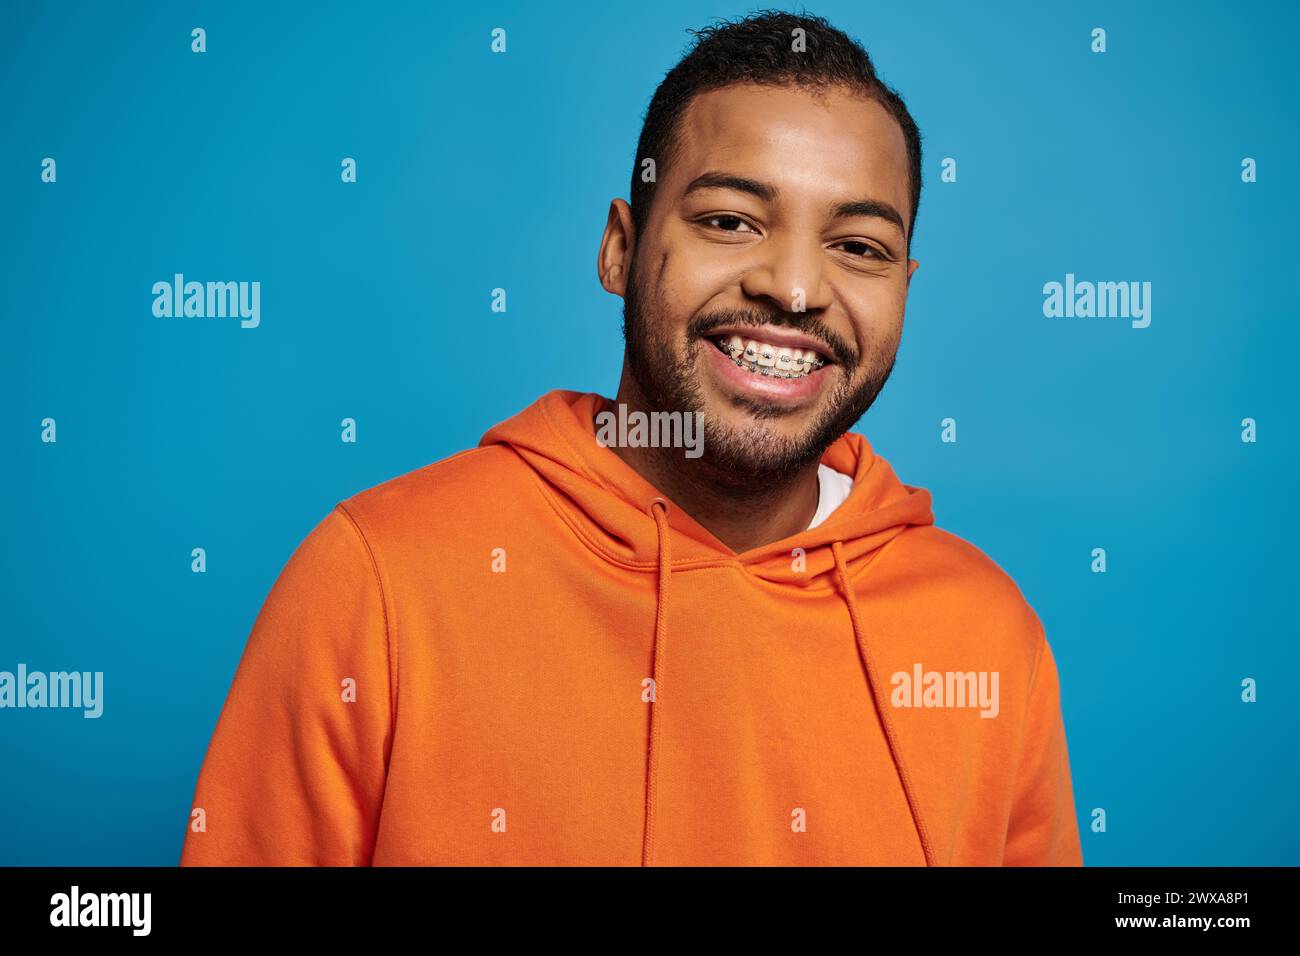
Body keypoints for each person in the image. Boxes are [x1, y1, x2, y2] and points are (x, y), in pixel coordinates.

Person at [181, 10, 1083, 866]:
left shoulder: (987, 637)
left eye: (860, 246)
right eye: (730, 221)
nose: (796, 288)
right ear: (620, 247)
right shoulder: (377, 580)